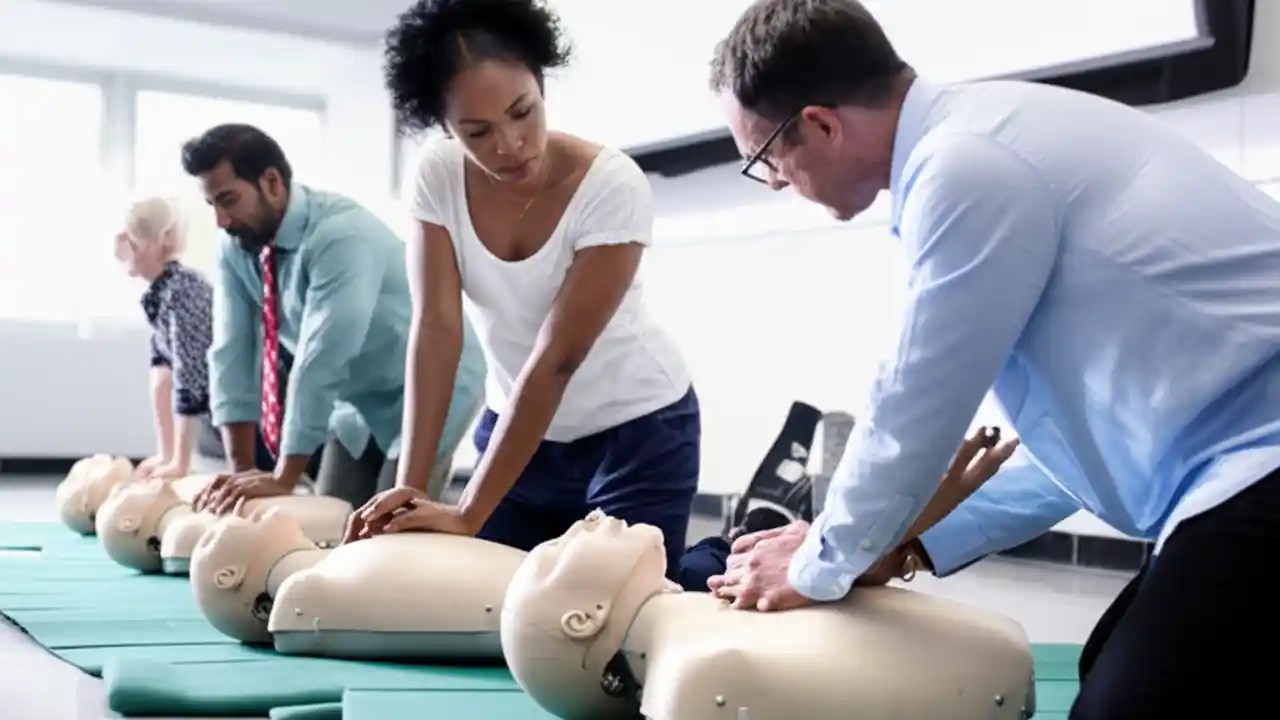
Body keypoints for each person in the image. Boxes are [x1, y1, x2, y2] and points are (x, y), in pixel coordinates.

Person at [703, 0, 1280, 717]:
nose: (778, 182)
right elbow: (1077, 454)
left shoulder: (967, 167)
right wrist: (901, 546)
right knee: (1115, 670)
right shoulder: (982, 137)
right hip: (1241, 464)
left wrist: (823, 559)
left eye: (764, 159)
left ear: (821, 124)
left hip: (1264, 463)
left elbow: (915, 402)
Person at [346, 0, 702, 583]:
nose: (509, 145)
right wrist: (410, 490)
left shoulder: (610, 184)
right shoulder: (437, 176)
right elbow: (436, 330)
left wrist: (466, 513)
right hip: (517, 430)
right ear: (444, 127)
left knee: (616, 614)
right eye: (477, 132)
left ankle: (717, 559)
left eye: (522, 112)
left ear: (542, 84)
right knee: (480, 598)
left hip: (639, 432)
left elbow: (555, 360)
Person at [180, 123, 487, 513]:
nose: (221, 220)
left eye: (229, 200)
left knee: (392, 524)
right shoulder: (238, 246)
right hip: (355, 404)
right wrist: (243, 474)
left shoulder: (341, 235)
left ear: (271, 182)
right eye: (213, 205)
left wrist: (283, 477)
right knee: (329, 523)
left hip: (432, 386)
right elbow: (232, 353)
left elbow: (323, 356)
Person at [113, 197, 222, 478]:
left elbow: (191, 378)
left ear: (157, 244)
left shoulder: (185, 291)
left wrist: (180, 465)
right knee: (161, 377)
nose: (122, 250)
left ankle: (183, 460)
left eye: (133, 244)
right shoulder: (159, 294)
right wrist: (166, 455)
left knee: (181, 381)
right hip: (207, 410)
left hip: (232, 421)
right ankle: (173, 454)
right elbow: (161, 378)